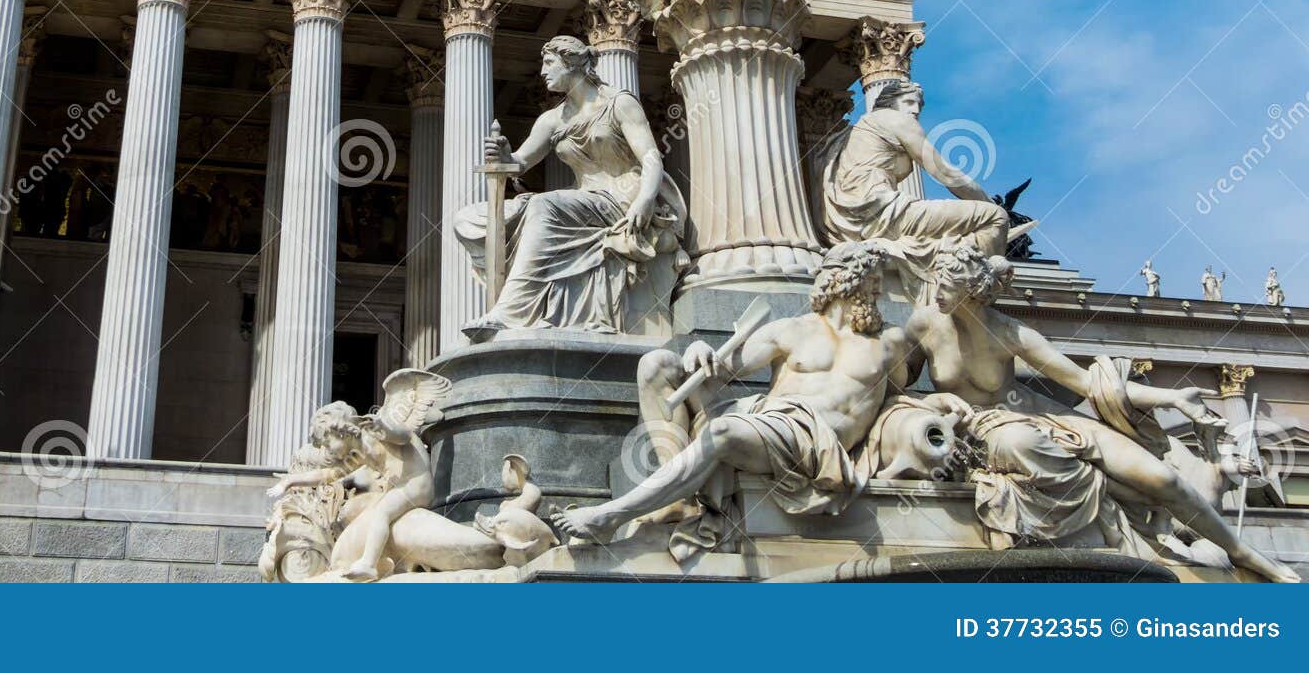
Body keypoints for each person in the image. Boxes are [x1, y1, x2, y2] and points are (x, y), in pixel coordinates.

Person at [906, 244, 1299, 583]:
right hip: (986, 426)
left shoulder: (1011, 333)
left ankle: (1247, 554)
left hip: (1048, 417)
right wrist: (932, 403)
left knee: (1163, 478)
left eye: (946, 286)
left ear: (973, 292)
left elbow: (1087, 383)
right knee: (1024, 442)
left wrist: (1172, 398)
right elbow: (894, 386)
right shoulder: (924, 324)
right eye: (937, 283)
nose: (935, 293)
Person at [553, 243, 912, 544]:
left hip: (812, 441)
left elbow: (900, 399)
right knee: (658, 363)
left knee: (723, 431)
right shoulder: (791, 329)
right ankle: (677, 501)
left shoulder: (889, 342)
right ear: (843, 282)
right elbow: (724, 368)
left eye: (878, 283)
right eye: (872, 281)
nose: (879, 291)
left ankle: (611, 515)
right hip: (767, 418)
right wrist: (697, 350)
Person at [454, 36, 683, 334]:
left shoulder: (619, 103)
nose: (542, 72)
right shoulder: (552, 120)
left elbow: (651, 157)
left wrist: (645, 200)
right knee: (469, 218)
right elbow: (520, 162)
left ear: (571, 64)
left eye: (549, 63)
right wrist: (505, 154)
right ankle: (530, 304)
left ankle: (511, 311)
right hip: (585, 201)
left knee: (542, 205)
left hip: (623, 198)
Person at [820, 80, 1009, 272]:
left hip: (850, 217)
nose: (916, 110)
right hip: (882, 212)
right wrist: (989, 204)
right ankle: (976, 289)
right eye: (909, 102)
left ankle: (955, 269)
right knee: (994, 217)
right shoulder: (894, 118)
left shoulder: (860, 128)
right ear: (889, 102)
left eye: (920, 104)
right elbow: (945, 172)